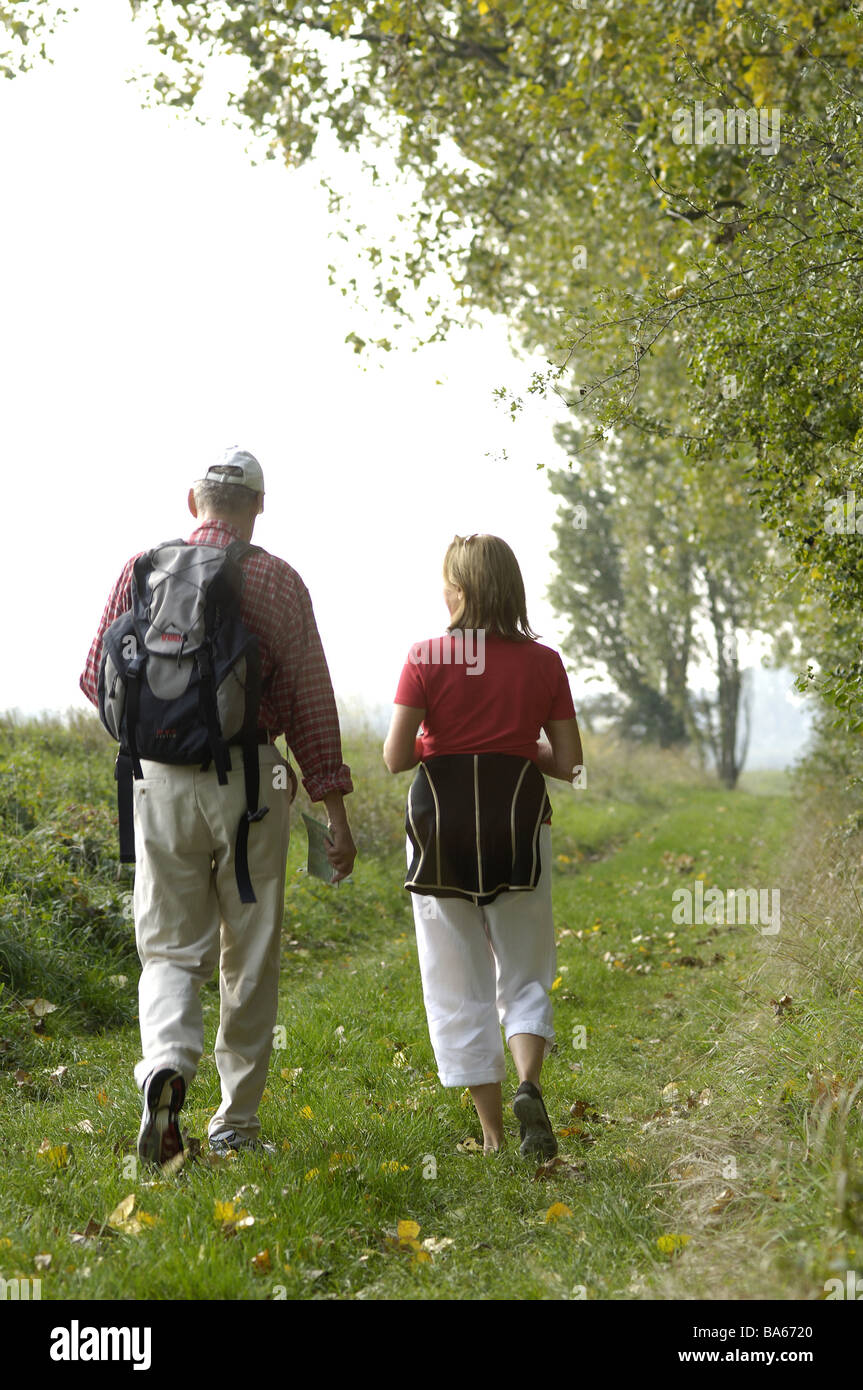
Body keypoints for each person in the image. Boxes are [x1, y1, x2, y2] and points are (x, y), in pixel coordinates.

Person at [79, 447, 356, 1163]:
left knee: (169, 948)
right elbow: (310, 704)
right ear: (259, 506)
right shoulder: (276, 579)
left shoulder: (142, 568)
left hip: (158, 779)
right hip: (252, 783)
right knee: (249, 955)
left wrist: (163, 732)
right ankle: (234, 1125)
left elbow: (93, 676)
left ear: (191, 500)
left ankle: (166, 1065)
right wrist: (334, 808)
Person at [383, 533, 582, 1156]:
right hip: (518, 827)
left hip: (440, 833)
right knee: (524, 973)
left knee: (456, 981)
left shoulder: (426, 655)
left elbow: (394, 757)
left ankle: (495, 1135)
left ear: (457, 591)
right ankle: (528, 1083)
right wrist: (517, 744)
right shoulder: (543, 662)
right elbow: (570, 763)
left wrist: (438, 743)